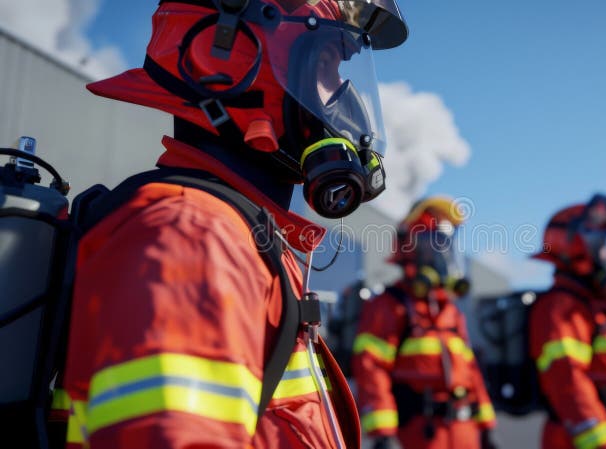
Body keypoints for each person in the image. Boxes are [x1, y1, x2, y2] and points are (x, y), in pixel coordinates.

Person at [57, 1, 408, 447]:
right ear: (217, 60)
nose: (343, 98)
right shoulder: (192, 236)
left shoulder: (240, 234)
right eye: (325, 64)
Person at [351, 196, 497, 449]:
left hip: (465, 434)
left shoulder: (450, 310)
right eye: (434, 242)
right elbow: (371, 368)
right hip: (418, 434)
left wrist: (486, 428)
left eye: (446, 243)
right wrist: (383, 433)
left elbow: (471, 372)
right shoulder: (389, 304)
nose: (442, 251)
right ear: (410, 247)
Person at [529, 193, 606, 449]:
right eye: (603, 244)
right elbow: (567, 380)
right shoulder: (561, 308)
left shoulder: (591, 307)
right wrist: (601, 443)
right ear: (575, 246)